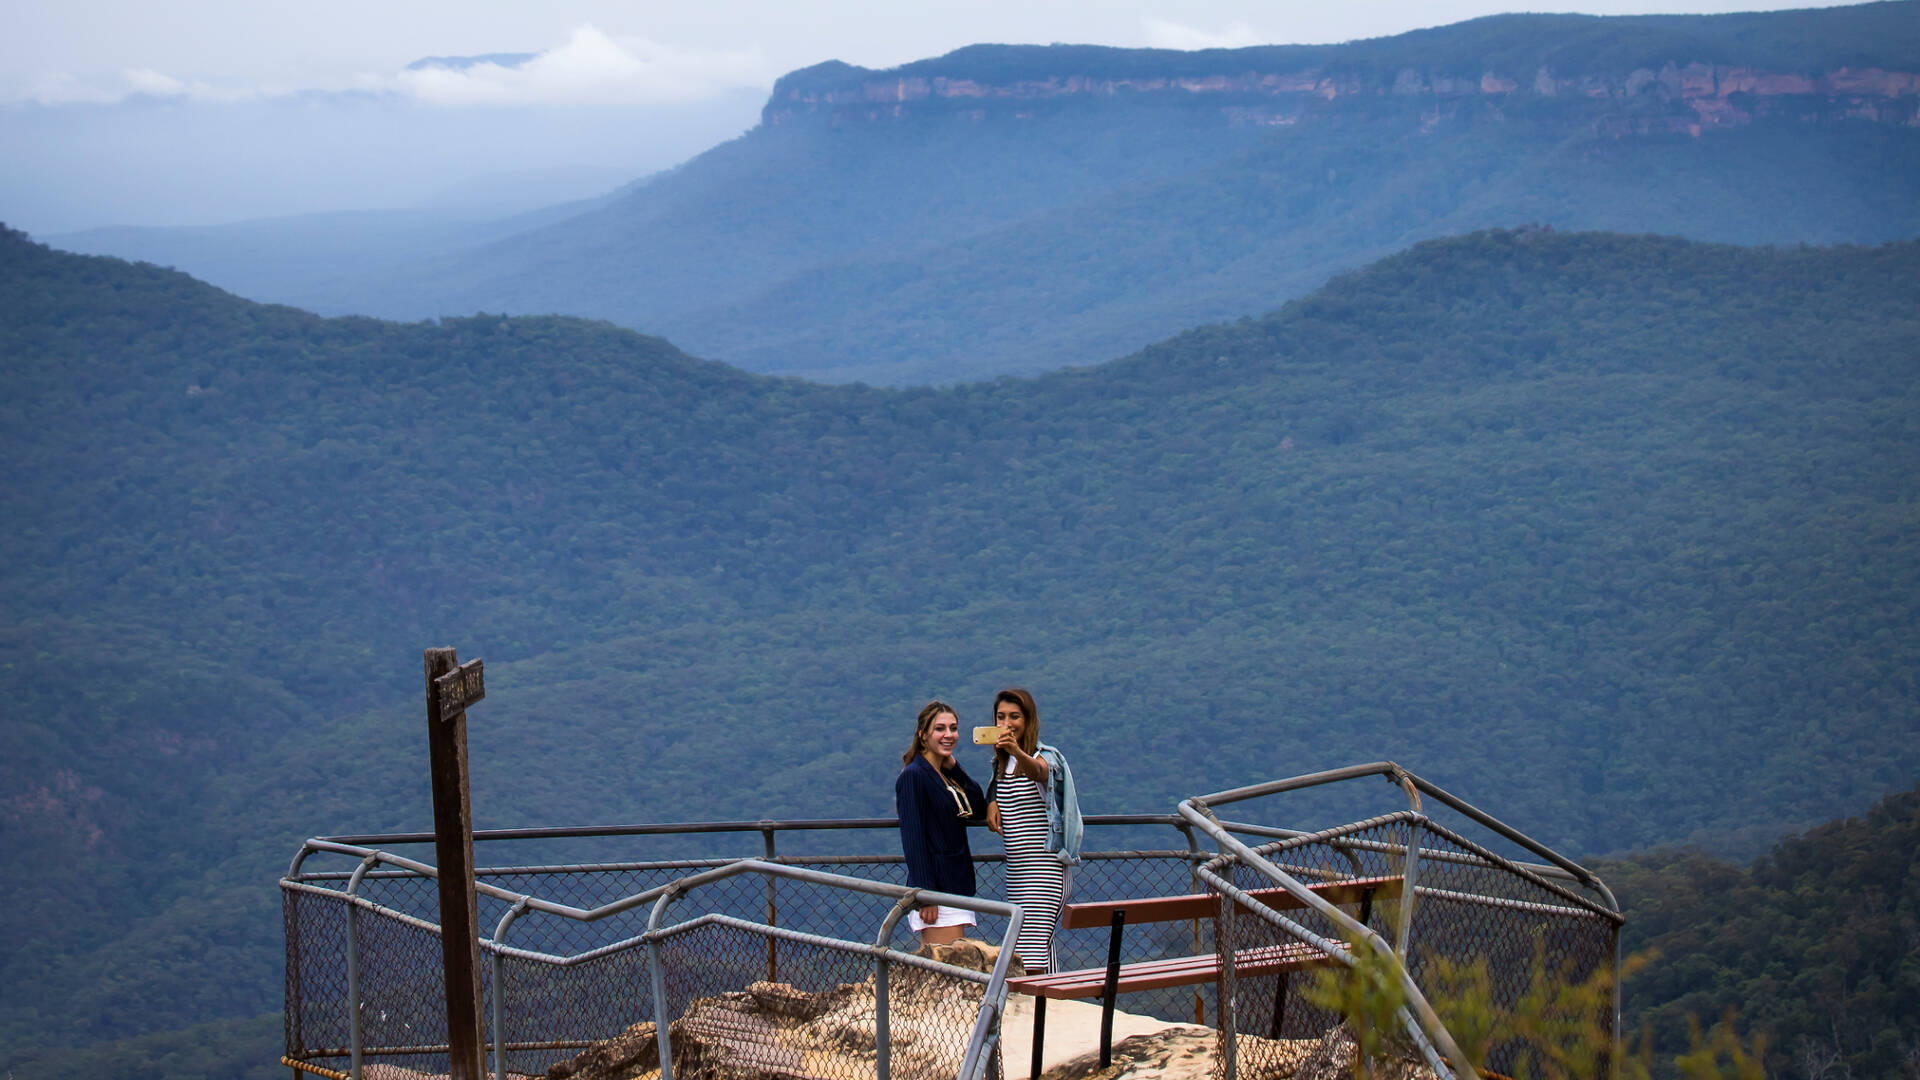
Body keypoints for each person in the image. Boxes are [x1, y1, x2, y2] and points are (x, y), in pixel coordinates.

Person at [985, 687, 1083, 974]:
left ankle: (1036, 1011)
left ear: (1028, 720)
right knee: (1038, 947)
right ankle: (1050, 1010)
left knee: (1029, 951)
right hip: (1018, 871)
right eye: (1001, 716)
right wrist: (992, 802)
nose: (1007, 722)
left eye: (1015, 716)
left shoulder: (1047, 756)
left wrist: (1016, 750)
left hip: (1045, 871)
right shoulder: (1002, 765)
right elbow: (999, 789)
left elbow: (1041, 772)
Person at [896, 699, 988, 945]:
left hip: (956, 884)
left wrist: (955, 767)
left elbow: (979, 808)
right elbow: (913, 838)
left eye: (953, 728)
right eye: (940, 729)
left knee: (952, 969)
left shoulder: (945, 774)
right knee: (943, 972)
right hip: (937, 889)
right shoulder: (914, 776)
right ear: (923, 735)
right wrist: (926, 894)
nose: (949, 735)